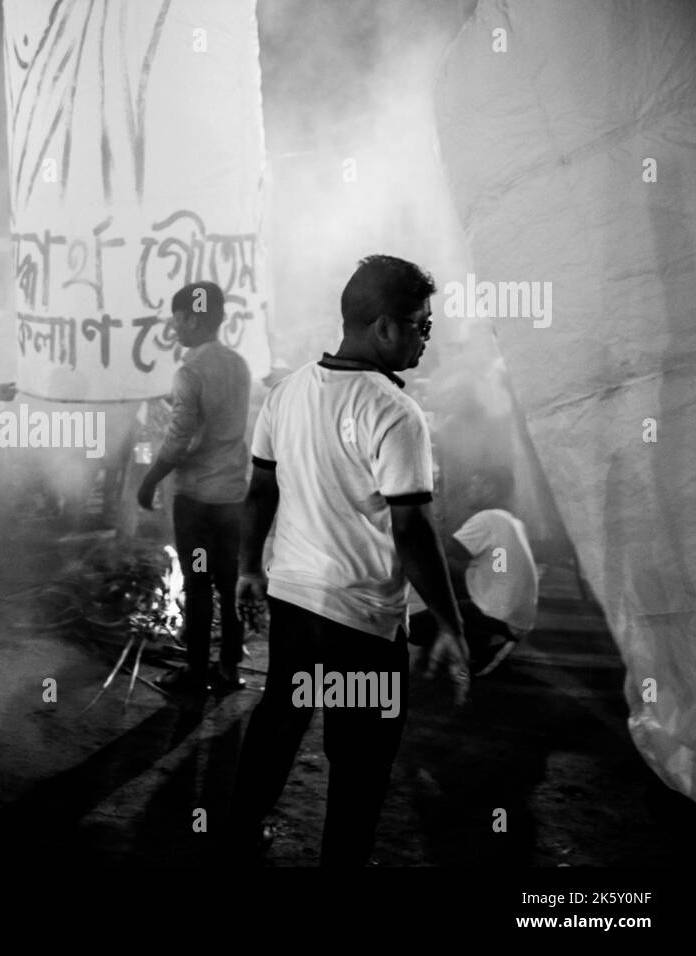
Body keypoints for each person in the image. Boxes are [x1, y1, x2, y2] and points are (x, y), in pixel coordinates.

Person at [229, 254, 471, 866]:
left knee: (281, 719)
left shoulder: (286, 393)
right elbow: (413, 531)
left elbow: (260, 491)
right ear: (385, 327)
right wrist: (453, 622)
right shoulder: (395, 412)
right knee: (359, 764)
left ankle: (234, 835)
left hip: (293, 601)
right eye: (420, 323)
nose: (426, 336)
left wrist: (249, 570)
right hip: (360, 623)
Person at [136, 281, 250, 696]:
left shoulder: (190, 371)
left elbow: (180, 438)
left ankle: (196, 673)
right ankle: (229, 667)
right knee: (228, 580)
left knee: (199, 583)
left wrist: (150, 480)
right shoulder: (238, 364)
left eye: (178, 318)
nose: (174, 326)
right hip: (233, 497)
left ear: (194, 318)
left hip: (198, 503)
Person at [409, 468, 538, 676]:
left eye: (473, 485)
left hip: (499, 613)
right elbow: (500, 566)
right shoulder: (511, 521)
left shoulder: (486, 519)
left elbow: (441, 551)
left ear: (489, 489)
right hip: (519, 614)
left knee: (414, 627)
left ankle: (475, 643)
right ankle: (481, 637)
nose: (468, 490)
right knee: (452, 576)